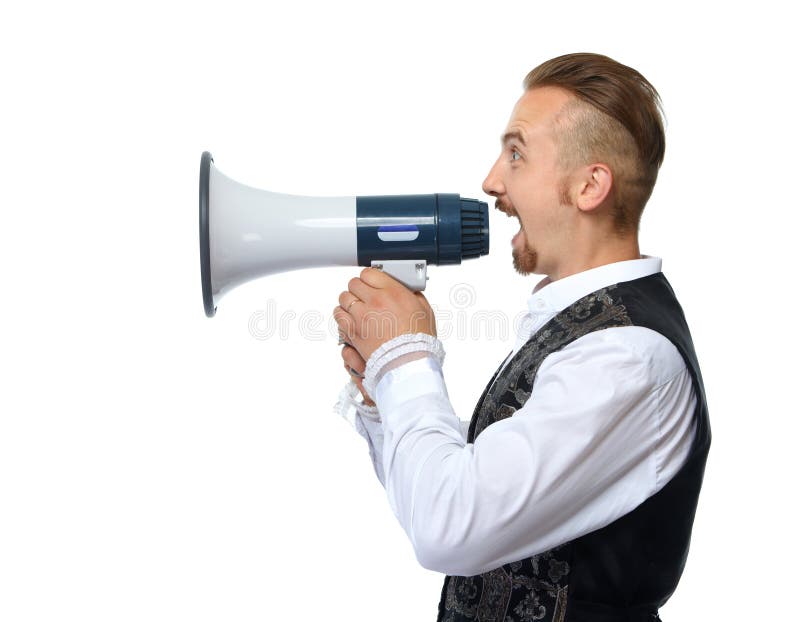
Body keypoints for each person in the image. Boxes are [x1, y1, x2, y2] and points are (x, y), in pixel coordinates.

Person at [333, 52, 710, 622]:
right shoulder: (582, 331)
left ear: (590, 185)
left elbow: (448, 528)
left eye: (517, 154)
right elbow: (453, 493)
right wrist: (383, 391)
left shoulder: (627, 356)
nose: (491, 182)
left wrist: (406, 358)